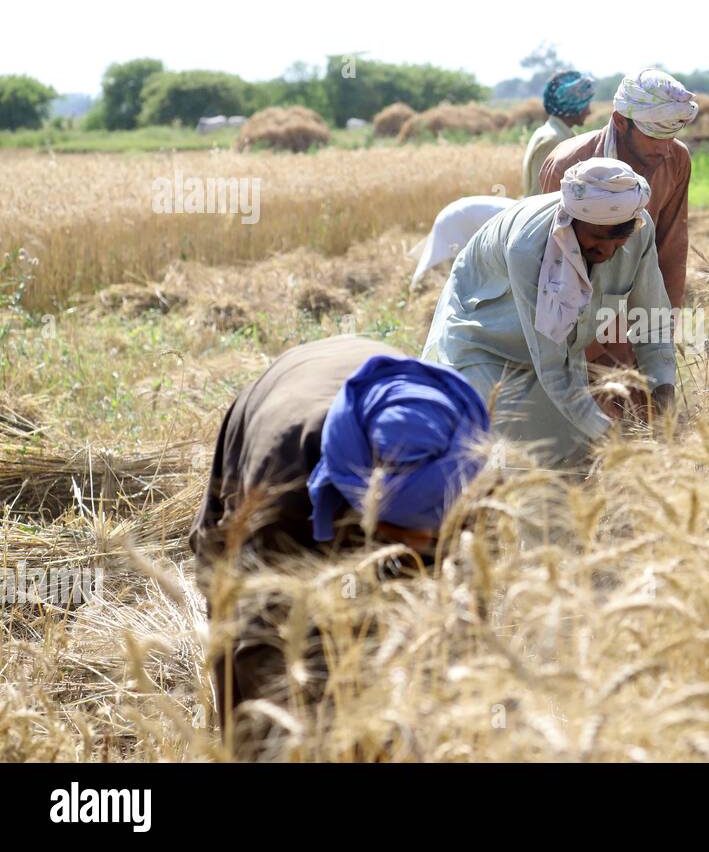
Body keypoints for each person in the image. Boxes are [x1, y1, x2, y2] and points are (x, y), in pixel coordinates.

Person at [189, 335, 489, 741]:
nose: (416, 546)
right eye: (399, 533)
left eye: (429, 534)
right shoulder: (281, 480)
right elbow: (261, 639)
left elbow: (467, 610)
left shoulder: (465, 462)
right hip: (280, 410)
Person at [423, 158, 676, 466]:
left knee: (573, 457)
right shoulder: (527, 249)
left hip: (554, 352)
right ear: (569, 222)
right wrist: (613, 438)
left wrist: (664, 396)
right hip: (487, 343)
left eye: (617, 242)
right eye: (595, 240)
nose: (607, 253)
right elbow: (553, 366)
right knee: (504, 459)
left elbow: (653, 321)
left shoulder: (640, 228)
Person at [539, 69, 697, 391]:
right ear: (620, 122)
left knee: (644, 398)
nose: (664, 149)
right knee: (583, 399)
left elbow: (671, 247)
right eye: (654, 136)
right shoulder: (570, 163)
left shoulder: (676, 160)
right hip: (575, 303)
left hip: (638, 297)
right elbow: (549, 261)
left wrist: (661, 332)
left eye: (670, 137)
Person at [410, 194, 516, 289]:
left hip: (459, 213)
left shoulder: (520, 212)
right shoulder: (519, 218)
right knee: (461, 265)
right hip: (456, 218)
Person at [521, 70, 596, 197]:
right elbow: (543, 196)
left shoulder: (556, 133)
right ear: (572, 105)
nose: (589, 111)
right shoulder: (553, 140)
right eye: (585, 104)